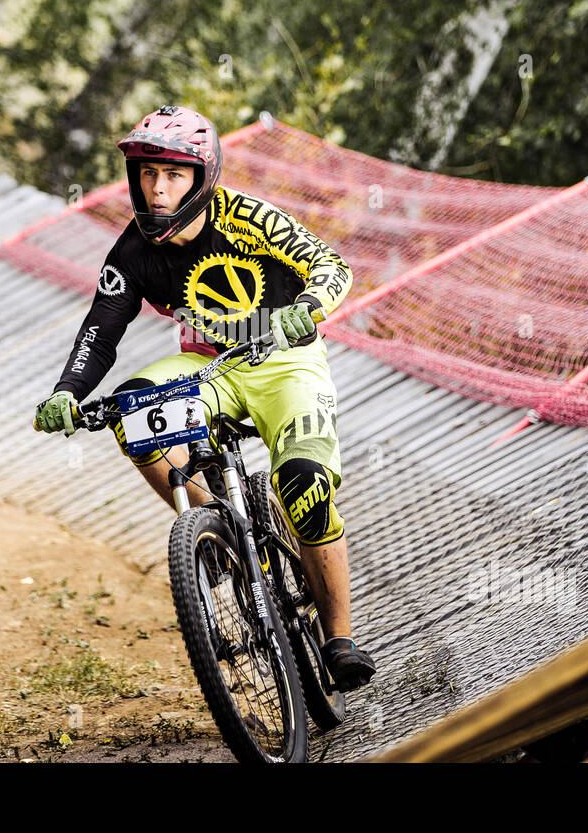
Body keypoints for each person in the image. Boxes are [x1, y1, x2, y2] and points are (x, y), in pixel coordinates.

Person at [34, 105, 375, 692]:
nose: (158, 188)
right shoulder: (132, 251)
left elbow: (331, 264)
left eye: (172, 174)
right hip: (208, 365)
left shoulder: (244, 215)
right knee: (133, 411)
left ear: (201, 176)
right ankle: (214, 529)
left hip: (286, 363)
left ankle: (339, 639)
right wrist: (67, 392)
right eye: (147, 173)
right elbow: (102, 328)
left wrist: (311, 307)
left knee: (304, 488)